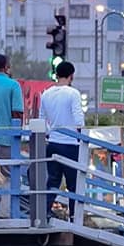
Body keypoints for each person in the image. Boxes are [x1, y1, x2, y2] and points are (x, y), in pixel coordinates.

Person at [39, 60, 85, 219]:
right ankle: (74, 215)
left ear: (56, 75)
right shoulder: (73, 93)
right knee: (74, 184)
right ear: (71, 76)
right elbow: (79, 120)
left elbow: (42, 119)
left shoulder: (46, 93)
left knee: (52, 180)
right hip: (71, 144)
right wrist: (81, 135)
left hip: (53, 143)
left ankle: (45, 210)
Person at [0, 54, 24, 217]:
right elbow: (17, 113)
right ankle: (5, 213)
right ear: (6, 68)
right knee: (8, 176)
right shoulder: (13, 85)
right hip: (6, 138)